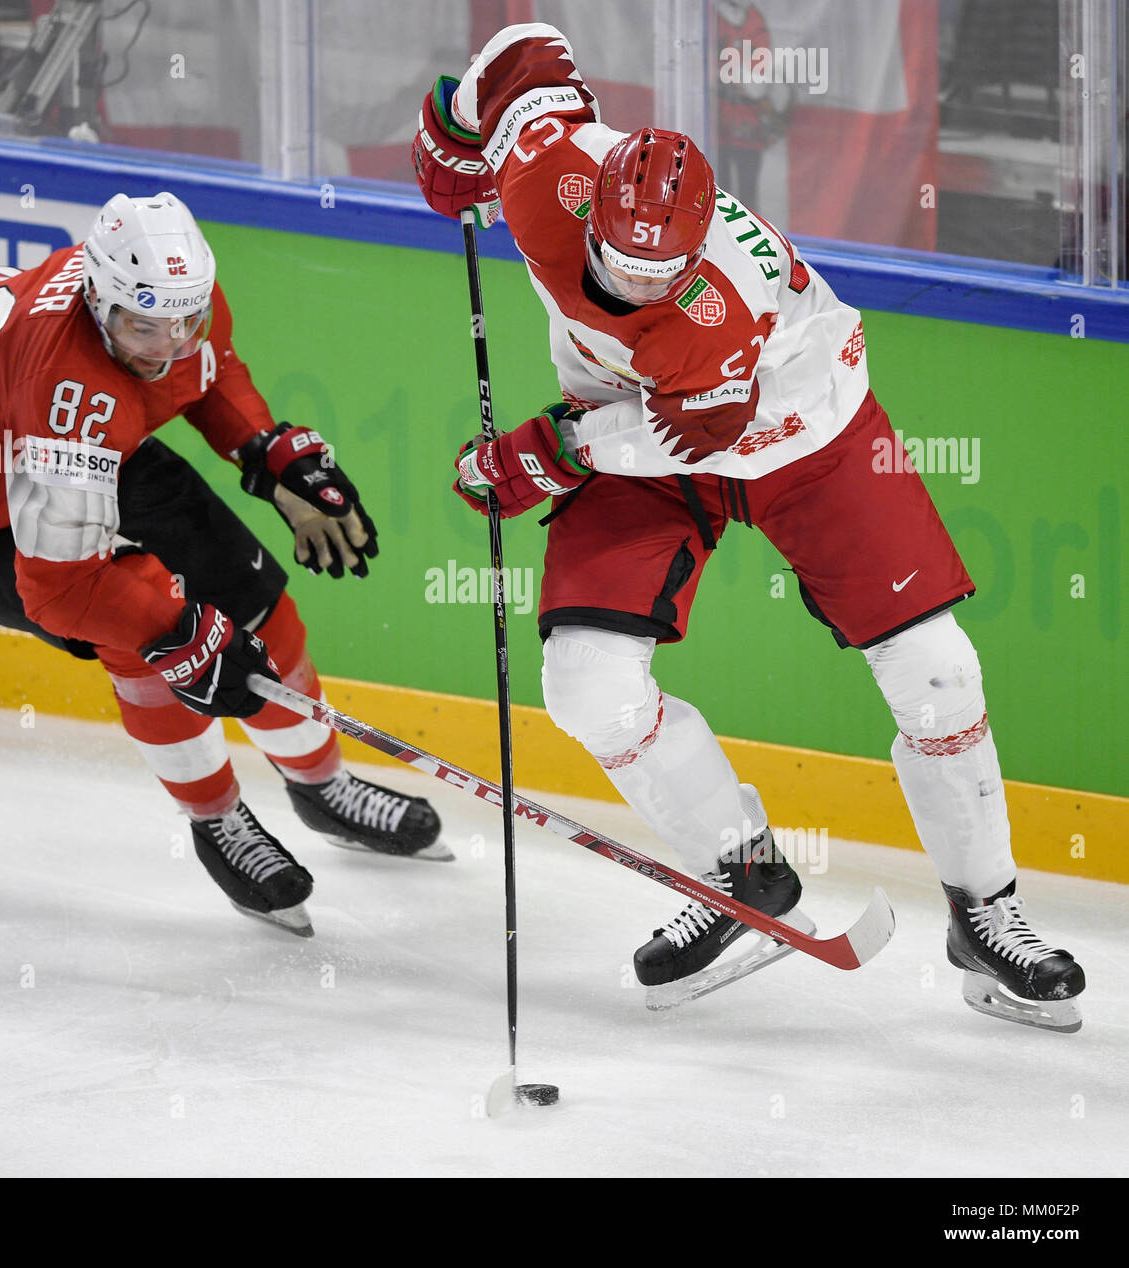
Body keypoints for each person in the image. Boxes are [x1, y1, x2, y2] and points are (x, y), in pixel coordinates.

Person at [412, 23, 1084, 1029]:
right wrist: (449, 132)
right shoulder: (545, 171)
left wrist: (547, 450)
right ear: (588, 208)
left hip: (799, 428)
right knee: (585, 679)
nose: (640, 284)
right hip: (636, 420)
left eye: (662, 273)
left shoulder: (714, 305)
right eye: (622, 265)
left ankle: (985, 913)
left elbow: (683, 432)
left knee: (937, 666)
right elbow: (524, 50)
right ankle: (745, 878)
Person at [0, 191, 450, 940]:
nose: (168, 341)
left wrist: (265, 451)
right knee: (143, 635)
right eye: (144, 326)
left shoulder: (168, 300)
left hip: (99, 446)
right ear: (96, 297)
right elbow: (63, 587)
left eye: (182, 320)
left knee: (252, 598)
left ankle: (320, 784)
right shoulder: (67, 389)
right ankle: (216, 817)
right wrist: (177, 627)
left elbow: (209, 368)